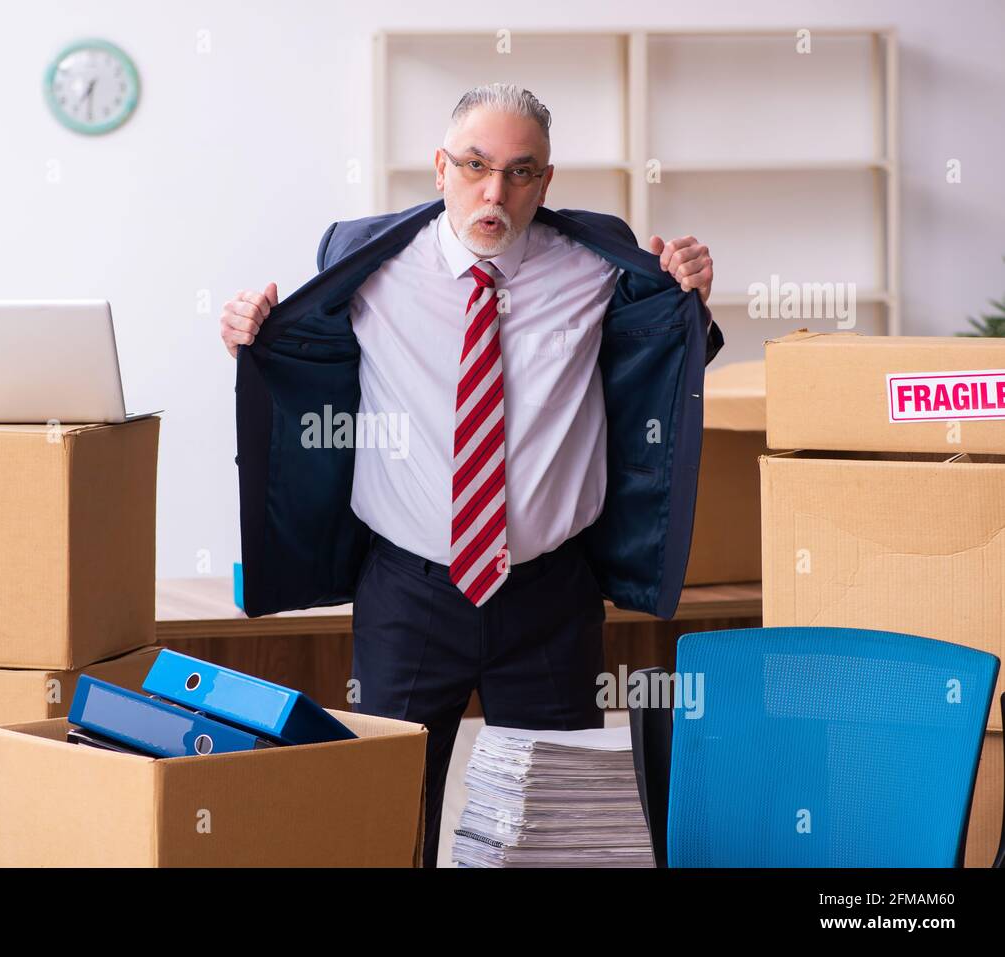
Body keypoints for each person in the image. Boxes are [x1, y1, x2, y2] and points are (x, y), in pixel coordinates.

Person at [221, 83, 721, 867]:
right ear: (439, 167)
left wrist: (692, 293)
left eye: (522, 172)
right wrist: (248, 332)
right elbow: (295, 344)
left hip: (551, 596)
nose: (496, 192)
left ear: (547, 182)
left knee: (552, 836)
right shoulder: (363, 261)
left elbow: (666, 353)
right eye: (476, 165)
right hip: (408, 592)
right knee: (387, 823)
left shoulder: (598, 264)